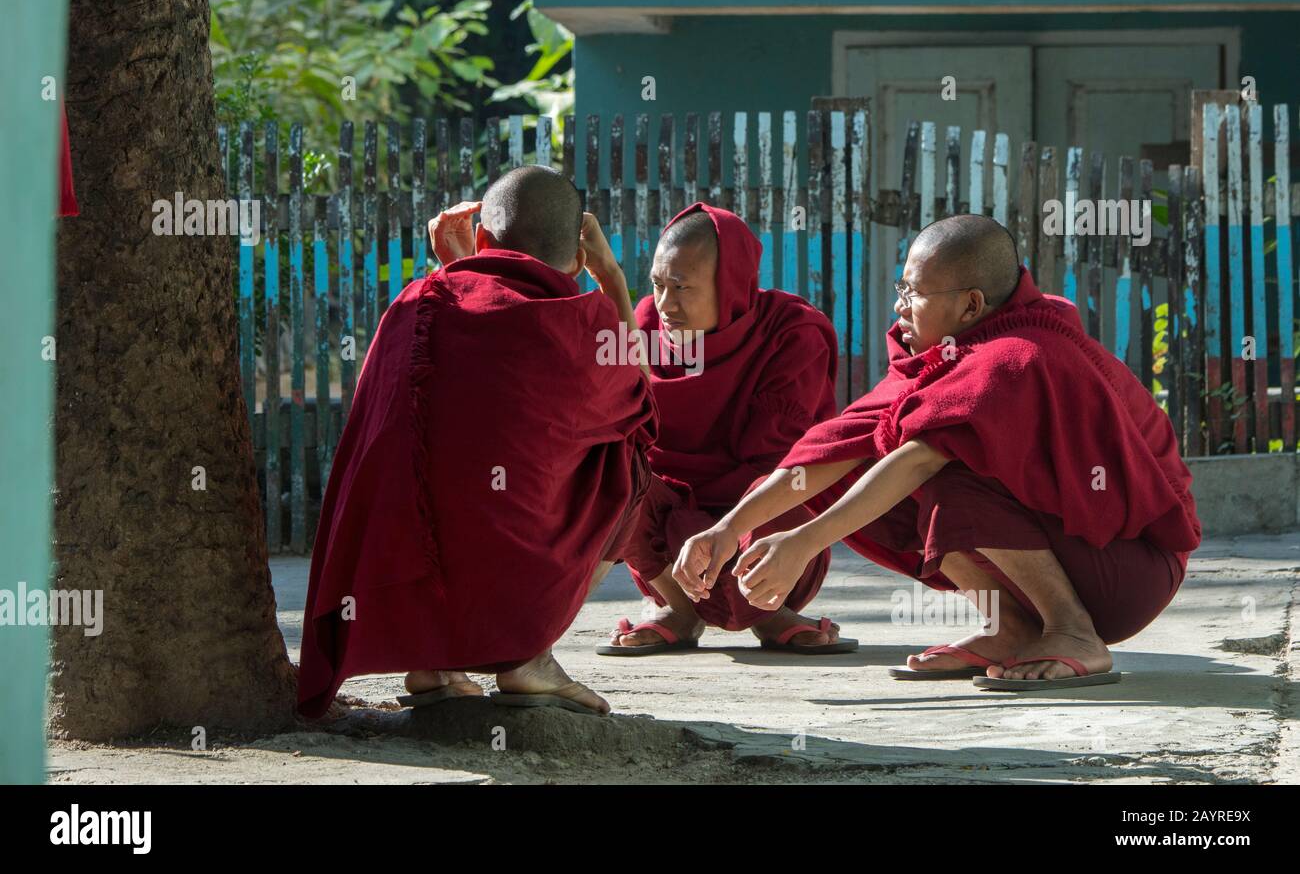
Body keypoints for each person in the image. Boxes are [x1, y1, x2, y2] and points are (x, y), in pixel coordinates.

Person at [672, 214, 1200, 690]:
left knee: (947, 472)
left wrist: (802, 544)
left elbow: (922, 455)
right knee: (848, 469)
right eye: (901, 286)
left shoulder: (1018, 356)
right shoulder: (943, 354)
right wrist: (728, 529)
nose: (899, 305)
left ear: (970, 304)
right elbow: (833, 448)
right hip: (1082, 555)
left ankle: (1073, 632)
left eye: (914, 292)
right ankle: (1010, 627)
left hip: (1129, 568)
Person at [297, 166, 655, 718]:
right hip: (515, 544)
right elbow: (640, 398)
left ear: (484, 240)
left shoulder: (415, 303)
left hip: (405, 539)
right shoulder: (582, 321)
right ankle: (527, 658)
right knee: (632, 459)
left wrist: (459, 267)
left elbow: (472, 340)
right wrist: (612, 278)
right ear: (580, 259)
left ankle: (434, 662)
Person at [599, 203, 855, 656]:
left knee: (791, 478)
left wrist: (724, 529)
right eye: (658, 285)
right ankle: (678, 609)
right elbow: (618, 419)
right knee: (610, 463)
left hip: (760, 525)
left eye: (681, 288)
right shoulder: (647, 328)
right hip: (668, 537)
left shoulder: (791, 334)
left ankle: (772, 612)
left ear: (731, 286)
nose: (665, 304)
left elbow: (788, 461)